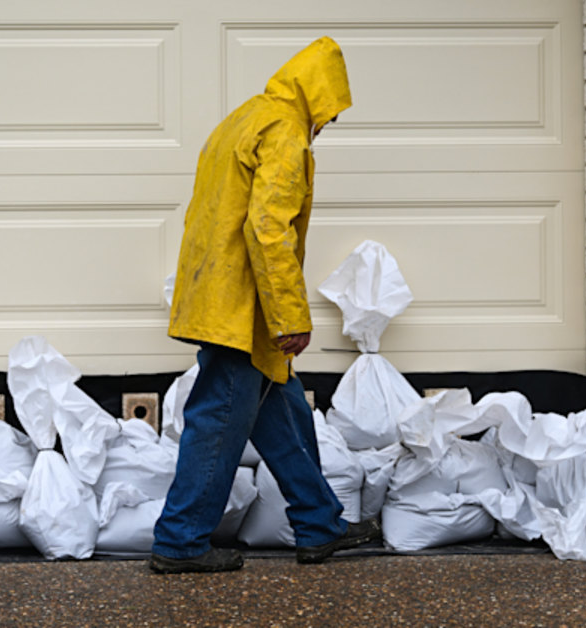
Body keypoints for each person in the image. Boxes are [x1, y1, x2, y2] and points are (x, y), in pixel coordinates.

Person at [149, 36, 380, 574]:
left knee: (284, 411)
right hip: (242, 305)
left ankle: (319, 523)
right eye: (332, 110)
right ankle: (181, 541)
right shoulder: (285, 131)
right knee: (219, 418)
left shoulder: (248, 115)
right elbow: (268, 229)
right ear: (320, 94)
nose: (331, 123)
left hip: (222, 292)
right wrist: (290, 317)